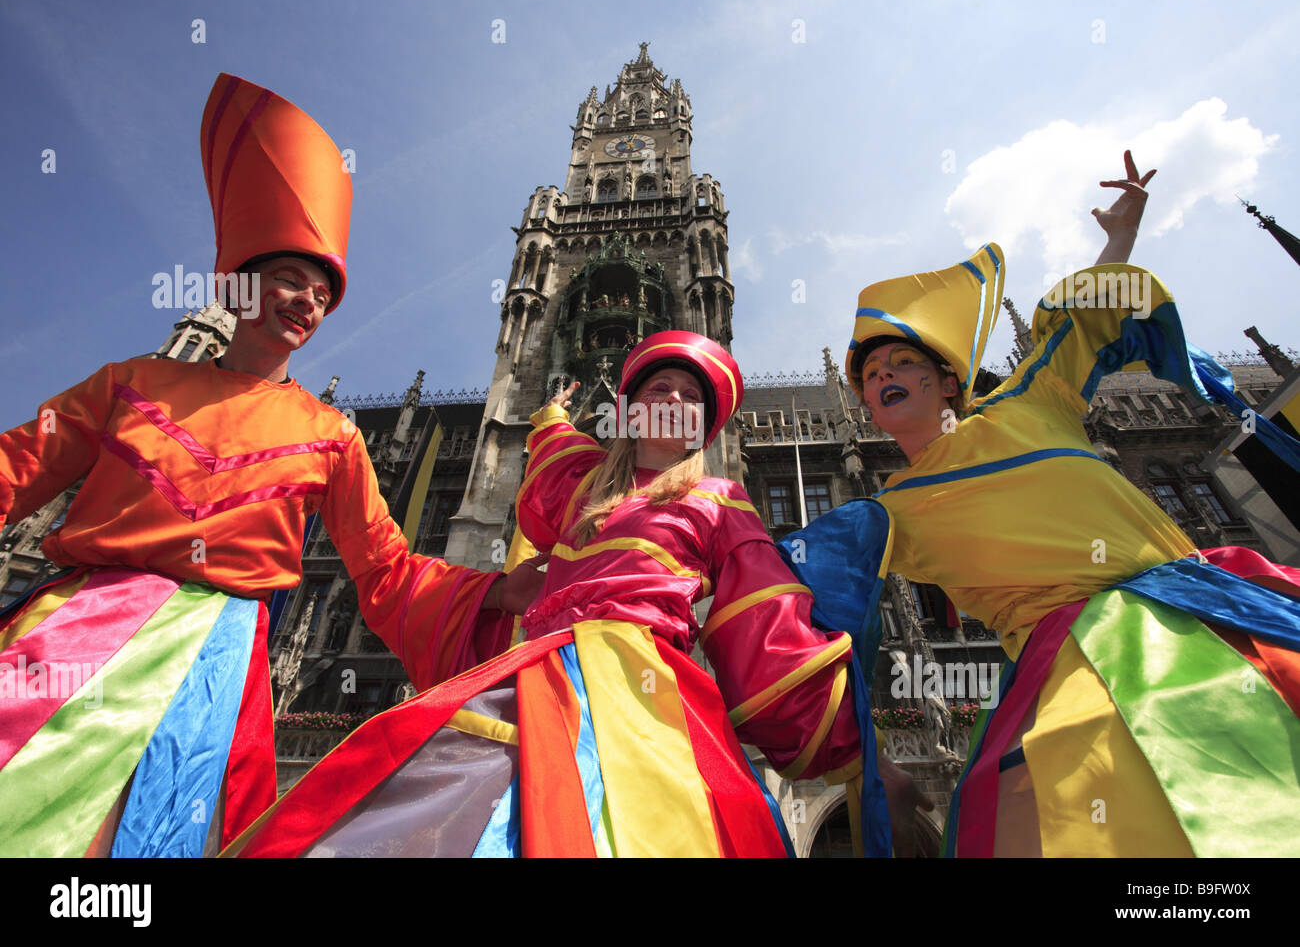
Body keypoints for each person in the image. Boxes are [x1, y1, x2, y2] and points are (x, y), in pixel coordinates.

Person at [0, 73, 542, 857]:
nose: (307, 300)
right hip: (82, 626)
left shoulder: (332, 434)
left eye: (323, 291)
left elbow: (384, 570)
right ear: (237, 282)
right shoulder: (131, 382)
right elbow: (22, 463)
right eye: (290, 277)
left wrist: (497, 589)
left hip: (215, 668)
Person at [224, 330, 917, 858]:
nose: (672, 397)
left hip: (647, 684)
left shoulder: (721, 501)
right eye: (657, 387)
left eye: (689, 393)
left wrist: (852, 750)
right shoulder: (584, 485)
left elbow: (760, 630)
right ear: (630, 408)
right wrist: (549, 414)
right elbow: (551, 456)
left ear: (704, 425)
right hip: (537, 669)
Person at [781, 152, 1300, 856]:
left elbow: (1076, 323)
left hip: (1211, 611)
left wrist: (1119, 238)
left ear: (946, 380)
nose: (883, 378)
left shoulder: (1031, 402)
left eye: (899, 363)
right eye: (871, 376)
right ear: (862, 406)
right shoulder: (889, 512)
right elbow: (793, 574)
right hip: (1070, 666)